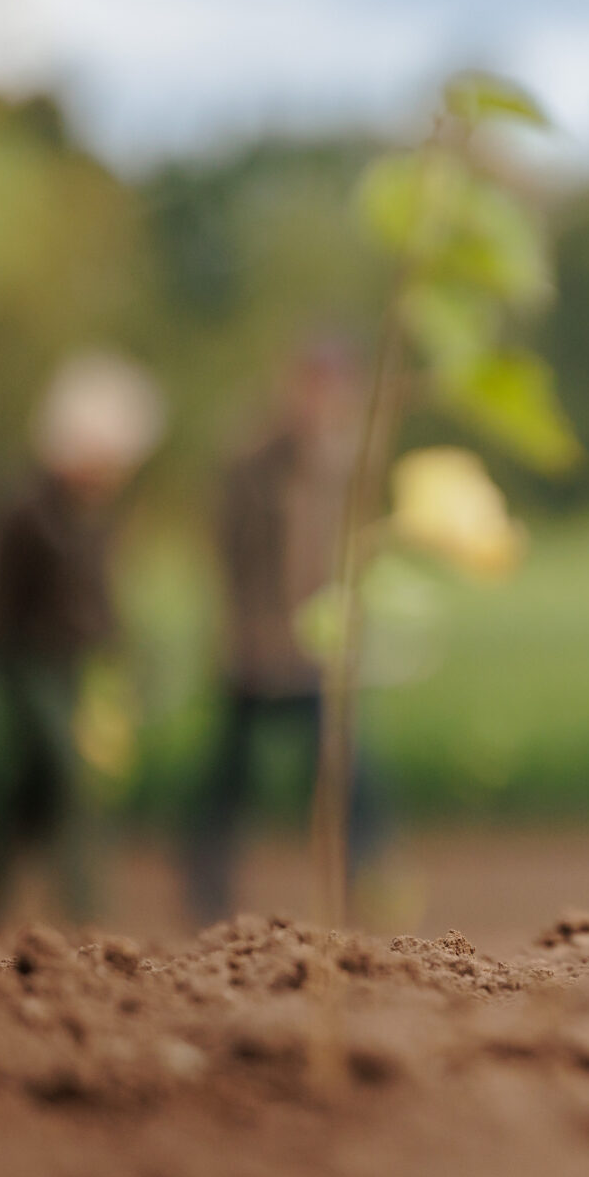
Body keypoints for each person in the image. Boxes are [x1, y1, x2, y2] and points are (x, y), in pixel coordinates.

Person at [0, 349, 164, 928]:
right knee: (72, 780)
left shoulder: (96, 514)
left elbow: (101, 597)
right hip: (28, 666)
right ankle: (88, 921)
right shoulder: (22, 509)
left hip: (79, 668)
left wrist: (122, 658)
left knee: (19, 794)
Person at [182, 340, 382, 925]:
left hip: (314, 649)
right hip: (255, 644)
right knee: (229, 777)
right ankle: (207, 892)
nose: (322, 399)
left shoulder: (342, 461)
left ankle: (361, 885)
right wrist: (237, 633)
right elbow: (227, 551)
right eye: (313, 384)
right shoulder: (249, 458)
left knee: (348, 769)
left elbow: (351, 552)